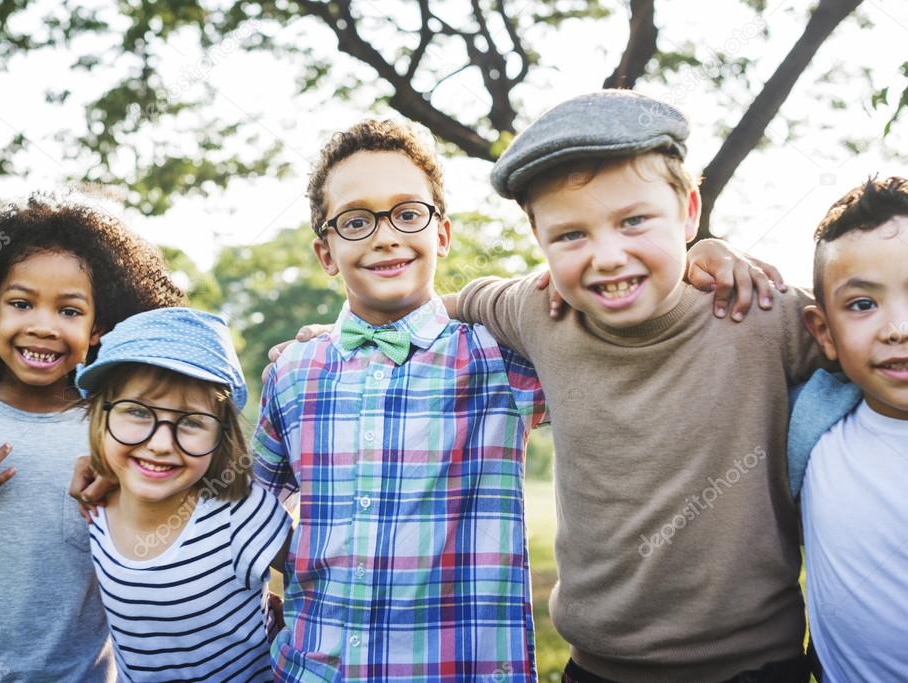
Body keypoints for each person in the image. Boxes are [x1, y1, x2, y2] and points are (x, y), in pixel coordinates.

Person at [253, 118, 775, 682]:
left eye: (408, 213)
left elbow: (631, 331)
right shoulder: (292, 372)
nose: (385, 237)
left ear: (442, 235)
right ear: (325, 251)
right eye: (356, 221)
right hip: (308, 670)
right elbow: (254, 509)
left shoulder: (501, 356)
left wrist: (700, 255)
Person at [450, 90, 824, 682]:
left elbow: (868, 327)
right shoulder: (538, 309)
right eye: (570, 235)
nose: (607, 256)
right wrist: (342, 329)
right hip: (597, 668)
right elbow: (453, 304)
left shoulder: (761, 312)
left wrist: (716, 251)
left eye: (634, 221)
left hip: (755, 666)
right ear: (538, 238)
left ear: (689, 211)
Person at [0, 193, 183, 681]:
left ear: (97, 329)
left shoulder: (120, 430)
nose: (43, 326)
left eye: (69, 311)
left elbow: (158, 571)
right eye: (21, 304)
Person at [74, 307, 293, 682]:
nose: (161, 444)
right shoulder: (96, 504)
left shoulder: (240, 512)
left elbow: (323, 581)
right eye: (137, 412)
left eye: (191, 421)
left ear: (221, 434)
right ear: (100, 415)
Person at [786, 176, 908, 683]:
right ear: (824, 333)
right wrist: (711, 254)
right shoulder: (809, 423)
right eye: (862, 304)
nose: (897, 328)